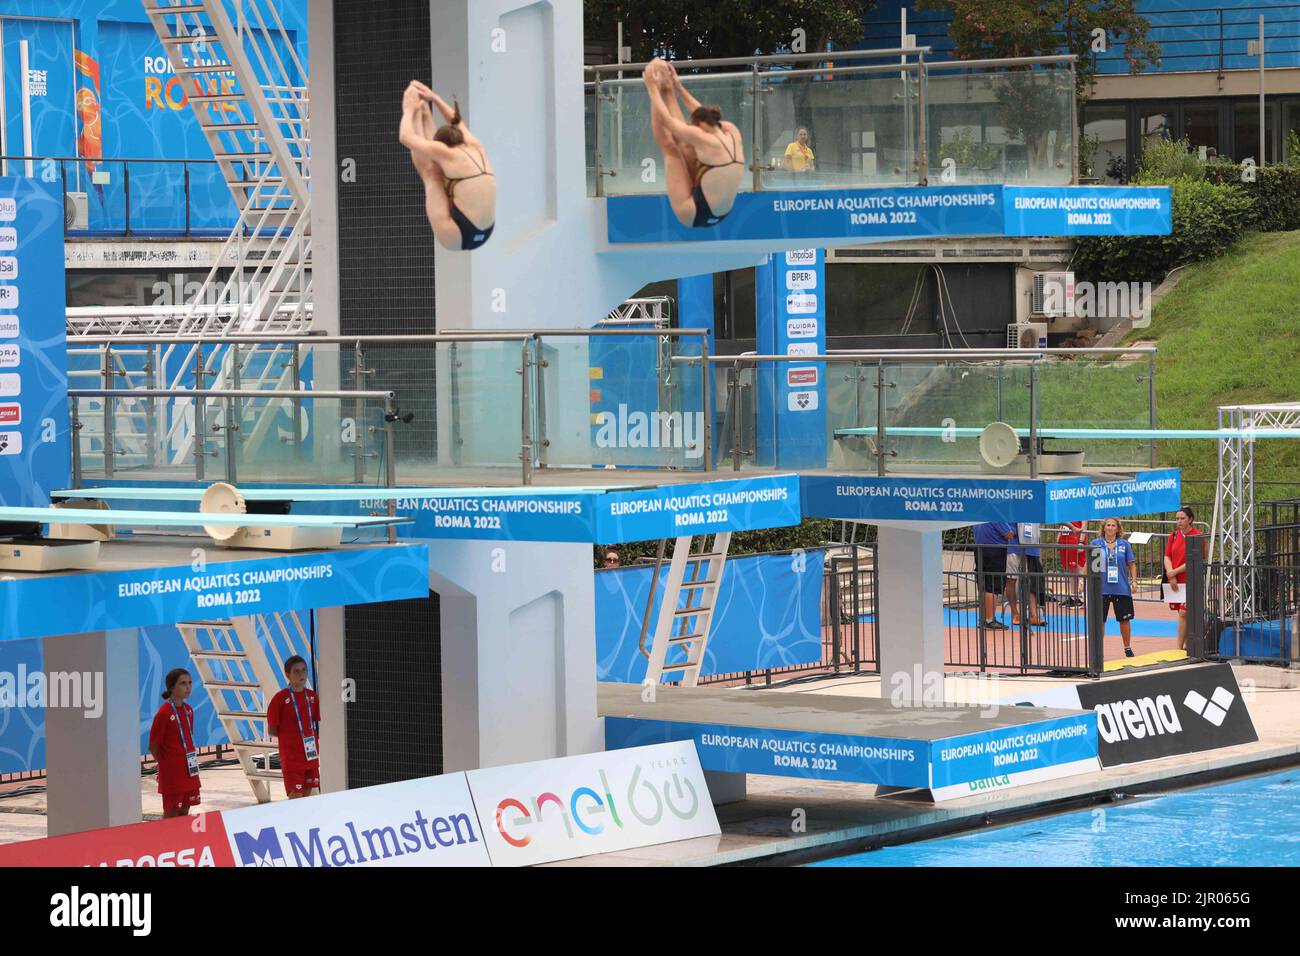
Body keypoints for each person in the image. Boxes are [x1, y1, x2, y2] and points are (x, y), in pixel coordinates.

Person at [643, 58, 745, 229]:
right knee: (686, 145)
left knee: (671, 149)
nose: (693, 128)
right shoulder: (731, 130)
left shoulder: (704, 139)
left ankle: (663, 89)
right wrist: (677, 86)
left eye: (695, 127)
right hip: (722, 211)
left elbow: (667, 121)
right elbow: (700, 113)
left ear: (701, 127)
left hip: (697, 212)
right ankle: (668, 88)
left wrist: (652, 87)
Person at [399, 80, 496, 251]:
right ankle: (425, 112)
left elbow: (406, 137)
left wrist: (409, 110)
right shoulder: (475, 145)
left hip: (459, 234)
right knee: (439, 170)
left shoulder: (447, 153)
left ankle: (421, 113)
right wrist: (434, 97)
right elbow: (456, 121)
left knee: (431, 173)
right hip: (486, 232)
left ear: (444, 145)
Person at [148, 668, 201, 819]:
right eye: (183, 683)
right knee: (171, 814)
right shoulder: (164, 713)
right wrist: (165, 765)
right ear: (172, 687)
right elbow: (153, 745)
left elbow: (186, 738)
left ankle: (183, 841)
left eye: (190, 683)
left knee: (185, 812)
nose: (188, 687)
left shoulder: (189, 710)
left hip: (190, 770)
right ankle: (167, 841)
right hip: (172, 773)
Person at [266, 656, 321, 799]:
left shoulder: (312, 697)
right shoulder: (280, 698)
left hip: (311, 754)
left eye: (304, 670)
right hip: (292, 757)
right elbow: (273, 730)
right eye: (296, 671)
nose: (301, 674)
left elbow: (313, 722)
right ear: (287, 674)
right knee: (295, 797)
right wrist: (291, 740)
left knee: (308, 795)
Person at [1093, 517, 1139, 657]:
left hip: (1121, 587)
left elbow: (1131, 564)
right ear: (1104, 528)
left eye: (1113, 525)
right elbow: (1093, 566)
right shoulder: (1096, 543)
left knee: (1124, 619)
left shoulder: (1124, 544)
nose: (1111, 528)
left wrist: (1134, 581)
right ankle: (1097, 650)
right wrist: (1083, 582)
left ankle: (1127, 647)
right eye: (1108, 525)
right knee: (1099, 620)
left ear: (1118, 529)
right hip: (1102, 588)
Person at [1163, 505, 1203, 650]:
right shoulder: (1173, 536)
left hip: (1191, 579)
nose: (1179, 521)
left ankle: (1179, 646)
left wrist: (1174, 572)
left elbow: (1194, 559)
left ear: (1190, 519)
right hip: (1176, 579)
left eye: (1182, 518)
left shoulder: (1197, 535)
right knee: (1181, 613)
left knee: (1184, 612)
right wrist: (1171, 573)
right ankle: (1185, 644)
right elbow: (1167, 556)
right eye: (1177, 519)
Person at [974, 521, 1016, 630]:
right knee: (993, 586)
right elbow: (1009, 534)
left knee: (985, 585)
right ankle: (989, 620)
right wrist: (1013, 530)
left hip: (979, 549)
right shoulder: (996, 514)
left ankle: (984, 619)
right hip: (995, 550)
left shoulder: (978, 515)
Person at [1008, 522, 1047, 627]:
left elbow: (1048, 514)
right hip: (1013, 547)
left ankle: (1033, 615)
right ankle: (1015, 614)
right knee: (1011, 579)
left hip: (1030, 549)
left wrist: (1071, 526)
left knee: (1030, 581)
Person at [1057, 519, 1089, 607]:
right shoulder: (1066, 508)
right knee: (1071, 570)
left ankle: (1084, 598)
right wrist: (1059, 537)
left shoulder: (1081, 508)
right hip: (1066, 540)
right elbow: (1062, 523)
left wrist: (1081, 542)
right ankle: (1074, 597)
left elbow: (1084, 525)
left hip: (1076, 540)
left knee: (1080, 568)